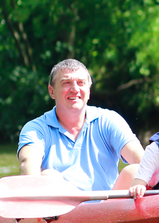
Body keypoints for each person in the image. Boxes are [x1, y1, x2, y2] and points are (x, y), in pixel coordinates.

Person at [18, 59, 144, 191]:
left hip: (108, 208)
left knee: (135, 171)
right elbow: (28, 162)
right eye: (66, 83)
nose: (75, 89)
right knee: (48, 176)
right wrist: (32, 187)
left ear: (88, 91)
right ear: (52, 91)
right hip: (60, 207)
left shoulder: (109, 120)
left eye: (81, 83)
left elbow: (141, 159)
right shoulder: (35, 129)